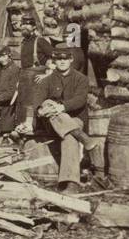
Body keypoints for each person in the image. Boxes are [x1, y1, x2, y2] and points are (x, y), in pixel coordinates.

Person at [37, 47, 102, 193]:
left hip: (76, 119)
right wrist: (41, 110)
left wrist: (62, 107)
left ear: (71, 60)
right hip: (52, 121)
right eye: (58, 59)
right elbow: (38, 101)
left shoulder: (81, 79)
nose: (62, 62)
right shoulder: (47, 80)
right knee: (48, 103)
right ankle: (83, 138)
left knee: (69, 137)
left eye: (65, 59)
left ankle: (71, 183)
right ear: (55, 61)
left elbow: (80, 100)